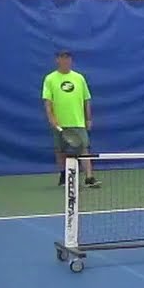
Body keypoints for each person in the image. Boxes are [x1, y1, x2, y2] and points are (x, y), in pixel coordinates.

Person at [42, 50, 99, 188]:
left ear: (71, 60)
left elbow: (86, 100)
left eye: (68, 58)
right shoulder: (50, 79)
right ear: (57, 60)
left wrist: (88, 119)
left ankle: (89, 178)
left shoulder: (79, 78)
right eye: (62, 58)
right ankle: (63, 176)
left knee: (84, 149)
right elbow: (48, 102)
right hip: (59, 123)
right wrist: (51, 118)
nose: (65, 61)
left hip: (78, 122)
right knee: (60, 151)